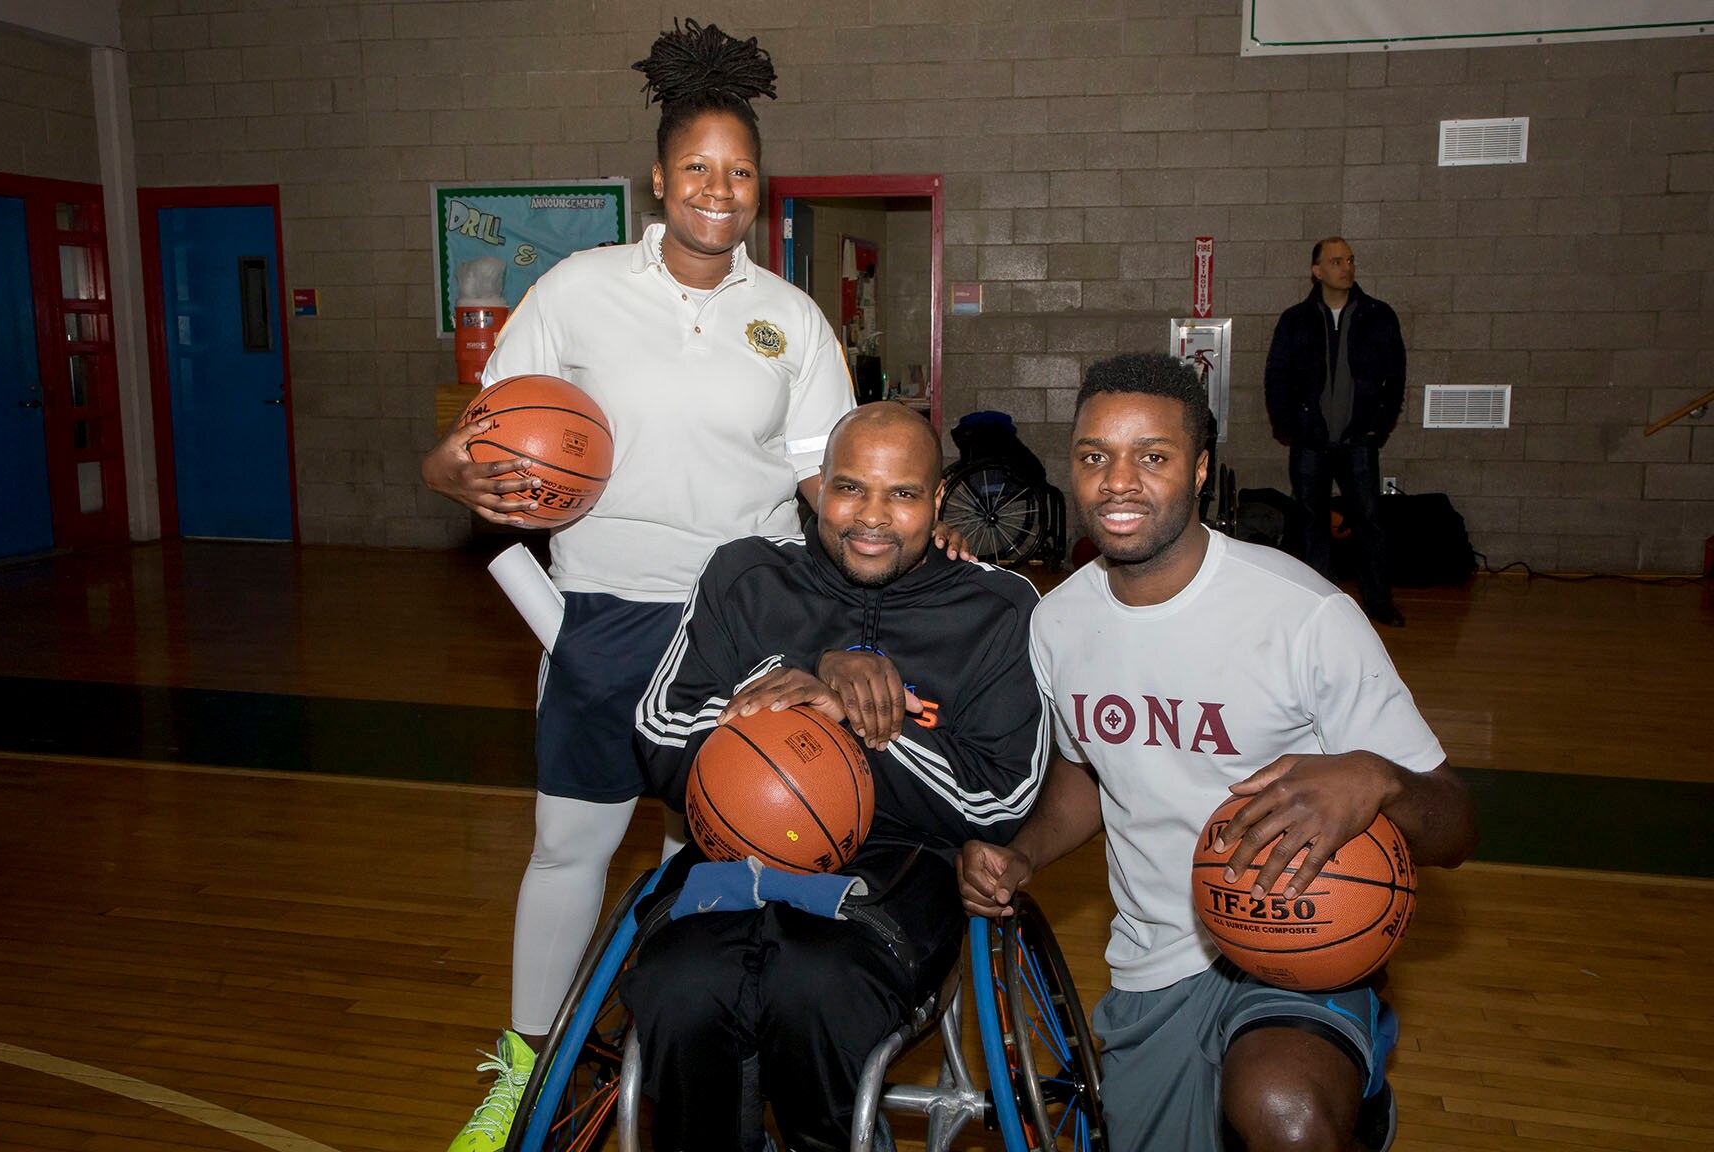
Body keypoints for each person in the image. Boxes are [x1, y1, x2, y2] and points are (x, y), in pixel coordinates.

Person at [419, 21, 860, 1152]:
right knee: (571, 842)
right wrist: (446, 472)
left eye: (741, 171)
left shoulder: (793, 318)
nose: (720, 189)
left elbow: (830, 481)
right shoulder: (578, 289)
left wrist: (908, 549)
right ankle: (521, 1072)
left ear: (761, 188)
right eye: (698, 168)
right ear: (658, 180)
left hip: (748, 622)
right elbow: (477, 439)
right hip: (606, 612)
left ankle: (671, 1061)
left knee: (706, 852)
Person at [959, 353, 1478, 1152]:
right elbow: (1085, 779)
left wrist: (1377, 780)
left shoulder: (1303, 614)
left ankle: (1345, 1095)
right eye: (1095, 455)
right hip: (1156, 958)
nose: (1118, 481)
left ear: (1201, 469)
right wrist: (1022, 855)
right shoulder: (1057, 624)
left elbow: (1455, 829)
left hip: (1300, 934)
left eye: (1153, 457)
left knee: (1284, 1110)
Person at [623, 403, 1047, 1152]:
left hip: (901, 863)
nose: (873, 518)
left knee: (814, 989)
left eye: (904, 495)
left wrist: (860, 728)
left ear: (939, 500)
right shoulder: (744, 575)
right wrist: (789, 680)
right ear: (817, 487)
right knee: (679, 988)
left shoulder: (998, 607)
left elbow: (1001, 798)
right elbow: (660, 737)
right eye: (850, 489)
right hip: (737, 846)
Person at [1263, 237, 1408, 628]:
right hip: (1310, 439)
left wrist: (1380, 423)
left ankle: (1378, 602)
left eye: (1350, 260)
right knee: (1311, 522)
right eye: (1337, 261)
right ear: (1317, 270)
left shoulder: (1378, 315)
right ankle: (1318, 604)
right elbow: (1277, 375)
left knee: (1368, 520)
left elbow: (1395, 377)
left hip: (1358, 438)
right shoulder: (1295, 319)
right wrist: (1289, 425)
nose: (1347, 267)